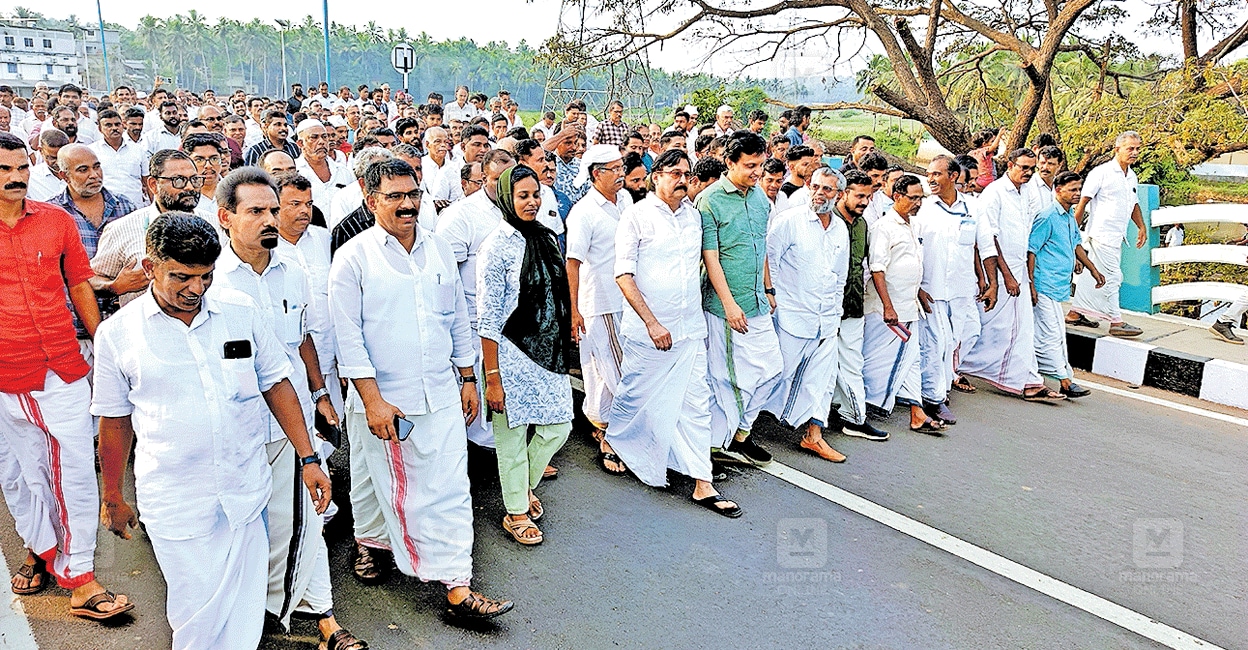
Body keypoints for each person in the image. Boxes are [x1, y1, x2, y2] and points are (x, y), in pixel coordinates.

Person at [93, 213, 332, 649]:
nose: (195, 290)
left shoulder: (239, 313)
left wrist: (309, 457)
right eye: (181, 277)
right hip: (177, 502)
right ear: (149, 268)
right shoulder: (118, 335)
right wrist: (112, 495)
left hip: (245, 493)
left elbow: (276, 383)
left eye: (206, 276)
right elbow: (114, 421)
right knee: (196, 615)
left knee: (243, 613)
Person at [329, 158, 512, 618]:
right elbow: (347, 339)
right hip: (386, 400)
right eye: (395, 196)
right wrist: (372, 400)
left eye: (414, 194)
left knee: (448, 488)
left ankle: (456, 585)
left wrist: (469, 378)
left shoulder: (438, 249)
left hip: (442, 391)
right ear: (371, 201)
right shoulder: (353, 258)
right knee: (375, 479)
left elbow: (457, 321)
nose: (408, 204)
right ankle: (371, 544)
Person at [0, 132, 133, 623]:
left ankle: (80, 576)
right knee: (19, 475)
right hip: (3, 377)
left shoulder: (55, 221)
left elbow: (80, 283)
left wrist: (104, 343)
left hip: (59, 367)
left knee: (73, 471)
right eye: (3, 170)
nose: (15, 177)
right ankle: (41, 550)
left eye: (20, 167)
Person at [606, 149, 743, 517]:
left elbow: (706, 263)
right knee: (637, 394)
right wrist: (652, 322)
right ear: (656, 176)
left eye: (687, 173)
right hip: (649, 330)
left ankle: (702, 482)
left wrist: (728, 304)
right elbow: (623, 275)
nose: (683, 179)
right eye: (675, 173)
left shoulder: (694, 217)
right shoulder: (635, 217)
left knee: (696, 402)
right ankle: (616, 440)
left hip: (688, 328)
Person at [477, 165, 575, 546]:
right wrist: (492, 376)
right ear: (506, 197)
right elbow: (486, 317)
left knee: (558, 427)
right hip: (509, 353)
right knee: (512, 438)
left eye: (536, 194)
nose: (531, 202)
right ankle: (515, 510)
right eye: (522, 195)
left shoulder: (547, 237)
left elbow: (558, 294)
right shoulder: (496, 246)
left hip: (547, 351)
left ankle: (521, 487)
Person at [698, 131, 782, 467]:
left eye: (760, 165)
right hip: (725, 308)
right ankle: (714, 446)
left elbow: (760, 248)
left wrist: (769, 288)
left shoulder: (761, 199)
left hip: (758, 302)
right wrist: (730, 304)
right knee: (729, 378)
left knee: (773, 370)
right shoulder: (710, 200)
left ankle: (740, 434)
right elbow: (710, 257)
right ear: (729, 163)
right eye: (750, 165)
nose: (757, 172)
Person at [962, 149, 1066, 401]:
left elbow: (1028, 235)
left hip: (1019, 270)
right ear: (1010, 165)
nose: (1029, 172)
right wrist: (1004, 276)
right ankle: (958, 365)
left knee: (1022, 330)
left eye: (1032, 168)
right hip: (999, 271)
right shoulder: (995, 193)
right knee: (986, 327)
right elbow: (989, 238)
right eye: (1024, 167)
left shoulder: (1027, 192)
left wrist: (1027, 277)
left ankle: (1029, 382)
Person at [434, 149, 516, 449]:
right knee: (472, 389)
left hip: (514, 320)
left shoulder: (520, 207)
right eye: (496, 180)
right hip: (472, 319)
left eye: (509, 179)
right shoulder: (461, 214)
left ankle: (510, 451)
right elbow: (444, 275)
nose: (503, 186)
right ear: (483, 178)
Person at [767, 167, 850, 461]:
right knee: (776, 374)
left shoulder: (840, 228)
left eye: (827, 189)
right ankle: (742, 431)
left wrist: (835, 314)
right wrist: (771, 298)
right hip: (791, 314)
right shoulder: (789, 221)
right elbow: (770, 261)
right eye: (815, 186)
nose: (819, 193)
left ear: (838, 194)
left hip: (826, 318)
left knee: (822, 380)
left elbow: (840, 275)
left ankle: (813, 435)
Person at [860, 175, 946, 433]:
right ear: (897, 196)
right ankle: (854, 408)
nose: (918, 203)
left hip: (909, 306)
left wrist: (918, 290)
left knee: (910, 361)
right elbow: (877, 269)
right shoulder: (883, 227)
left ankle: (916, 412)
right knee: (876, 361)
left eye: (921, 198)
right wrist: (888, 306)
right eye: (914, 197)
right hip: (886, 310)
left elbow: (907, 264)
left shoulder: (912, 225)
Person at [566, 145, 633, 470]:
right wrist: (575, 310)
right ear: (596, 174)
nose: (621, 174)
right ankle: (611, 436)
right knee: (610, 370)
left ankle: (604, 424)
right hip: (599, 302)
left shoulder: (626, 201)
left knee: (612, 369)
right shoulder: (583, 212)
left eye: (622, 167)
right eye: (614, 169)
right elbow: (573, 263)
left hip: (628, 300)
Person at [912, 156, 994, 423]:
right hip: (930, 288)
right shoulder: (922, 207)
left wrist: (991, 283)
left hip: (960, 288)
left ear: (954, 176)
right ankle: (933, 399)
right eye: (928, 174)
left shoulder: (973, 207)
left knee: (951, 342)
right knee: (935, 343)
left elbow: (985, 246)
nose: (931, 179)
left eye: (937, 174)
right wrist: (915, 285)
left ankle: (938, 391)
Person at [92, 150, 214, 308]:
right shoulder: (123, 228)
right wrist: (114, 286)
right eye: (179, 180)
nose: (190, 187)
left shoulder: (215, 225)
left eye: (195, 180)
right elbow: (92, 278)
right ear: (153, 185)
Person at [46, 144, 139, 342]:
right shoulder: (51, 215)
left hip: (125, 324)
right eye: (83, 170)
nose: (94, 174)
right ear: (64, 175)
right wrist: (112, 286)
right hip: (74, 331)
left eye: (97, 167)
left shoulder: (125, 207)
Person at [1029, 171, 1104, 397]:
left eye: (1078, 189)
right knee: (1052, 333)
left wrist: (1092, 268)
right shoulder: (1047, 216)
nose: (1077, 194)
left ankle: (1047, 375)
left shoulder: (1069, 216)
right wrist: (1031, 284)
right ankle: (1064, 380)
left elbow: (1075, 245)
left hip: (1058, 285)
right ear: (1058, 190)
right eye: (1072, 190)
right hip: (1044, 285)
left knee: (1055, 333)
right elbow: (1031, 251)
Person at [828, 171, 890, 441]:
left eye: (869, 196)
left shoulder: (863, 224)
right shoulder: (829, 221)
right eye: (860, 195)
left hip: (853, 305)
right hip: (826, 305)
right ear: (844, 193)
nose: (865, 201)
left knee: (852, 361)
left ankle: (854, 416)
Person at [1067, 132, 1147, 337]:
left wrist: (1141, 227)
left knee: (1089, 276)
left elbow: (1133, 203)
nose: (1135, 152)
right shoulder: (1100, 173)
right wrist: (1072, 233)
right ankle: (1116, 321)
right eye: (1131, 148)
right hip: (1100, 235)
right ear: (1117, 149)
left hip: (1116, 236)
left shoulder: (1131, 176)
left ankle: (1075, 313)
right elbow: (1082, 203)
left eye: (1138, 148)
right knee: (1112, 277)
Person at [90, 108, 148, 207]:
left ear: (123, 125)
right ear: (100, 129)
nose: (114, 128)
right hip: (106, 207)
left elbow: (147, 181)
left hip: (135, 207)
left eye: (117, 124)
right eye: (108, 125)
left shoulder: (138, 150)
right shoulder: (92, 151)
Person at [294, 119, 353, 214]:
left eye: (324, 137)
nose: (321, 142)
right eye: (314, 137)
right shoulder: (295, 172)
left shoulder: (342, 171)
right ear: (301, 143)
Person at [28, 128, 69, 201]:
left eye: (62, 158)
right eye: (52, 158)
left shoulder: (82, 173)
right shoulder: (30, 178)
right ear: (40, 151)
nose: (58, 162)